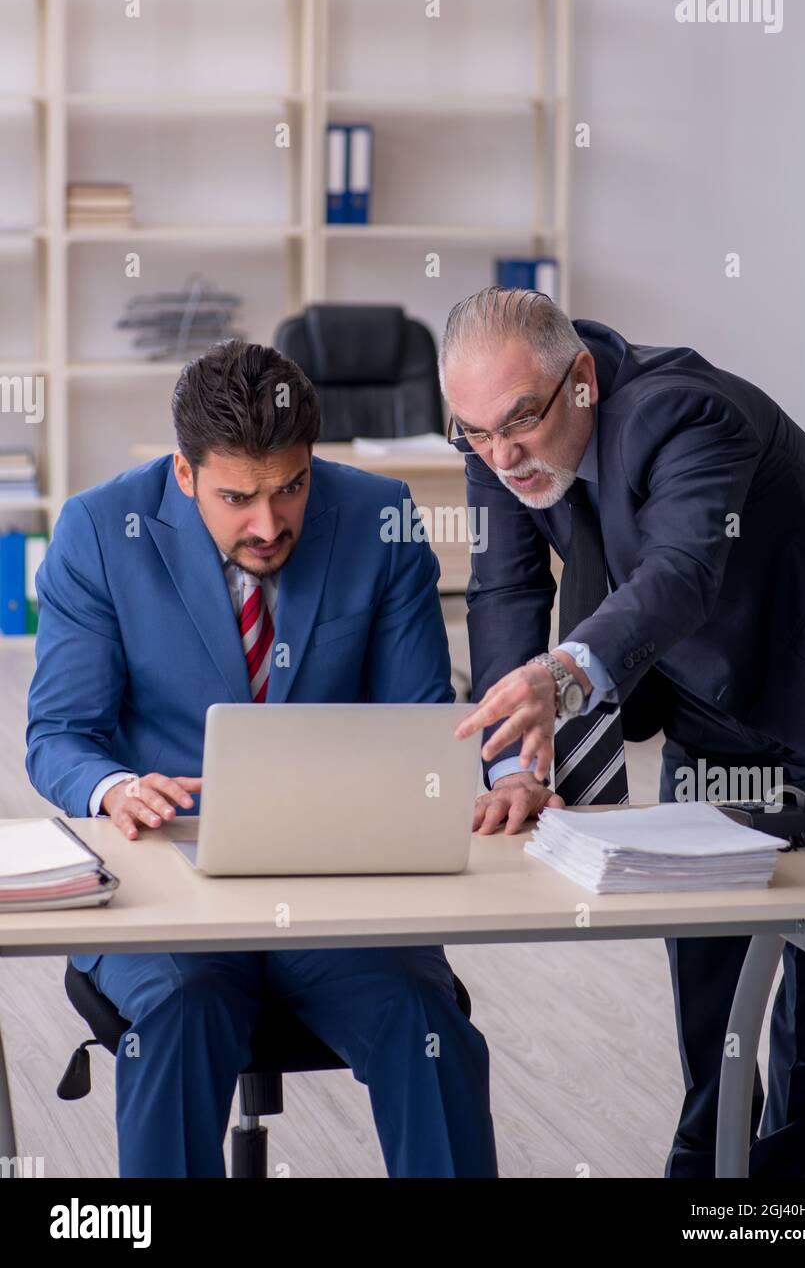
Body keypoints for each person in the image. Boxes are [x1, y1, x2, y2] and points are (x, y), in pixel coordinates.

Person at [26, 337, 497, 1179]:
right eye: (236, 498)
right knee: (180, 1014)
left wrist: (482, 781)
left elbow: (424, 721)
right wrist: (117, 786)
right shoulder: (101, 531)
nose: (269, 524)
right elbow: (58, 736)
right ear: (183, 473)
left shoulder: (378, 519)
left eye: (290, 489)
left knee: (424, 1021)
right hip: (169, 888)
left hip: (339, 885)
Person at [442, 285, 805, 1179]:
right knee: (702, 940)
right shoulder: (492, 432)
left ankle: (774, 1191)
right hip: (704, 695)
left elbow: (679, 572)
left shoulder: (686, 413)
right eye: (476, 433)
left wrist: (560, 675)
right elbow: (505, 589)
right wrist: (511, 765)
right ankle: (705, 1171)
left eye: (518, 422)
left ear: (582, 381)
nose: (501, 455)